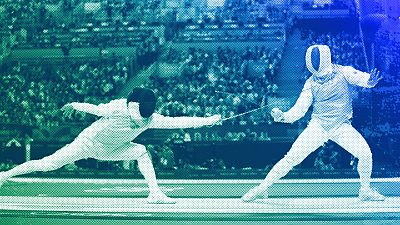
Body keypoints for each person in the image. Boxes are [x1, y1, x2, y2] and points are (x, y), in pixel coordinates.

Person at [0, 87, 221, 204]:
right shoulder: (117, 107)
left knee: (142, 151)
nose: (139, 121)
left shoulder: (152, 118)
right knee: (47, 165)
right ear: (131, 106)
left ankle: (154, 193)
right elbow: (96, 109)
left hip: (113, 149)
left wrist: (209, 120)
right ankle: (5, 175)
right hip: (88, 143)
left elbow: (179, 122)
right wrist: (74, 104)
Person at [241, 45, 384, 202]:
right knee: (291, 158)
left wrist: (370, 82)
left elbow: (364, 79)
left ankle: (365, 190)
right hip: (318, 127)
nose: (319, 76)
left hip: (341, 126)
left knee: (365, 154)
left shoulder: (344, 72)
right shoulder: (310, 83)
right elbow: (299, 111)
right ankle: (262, 189)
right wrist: (283, 117)